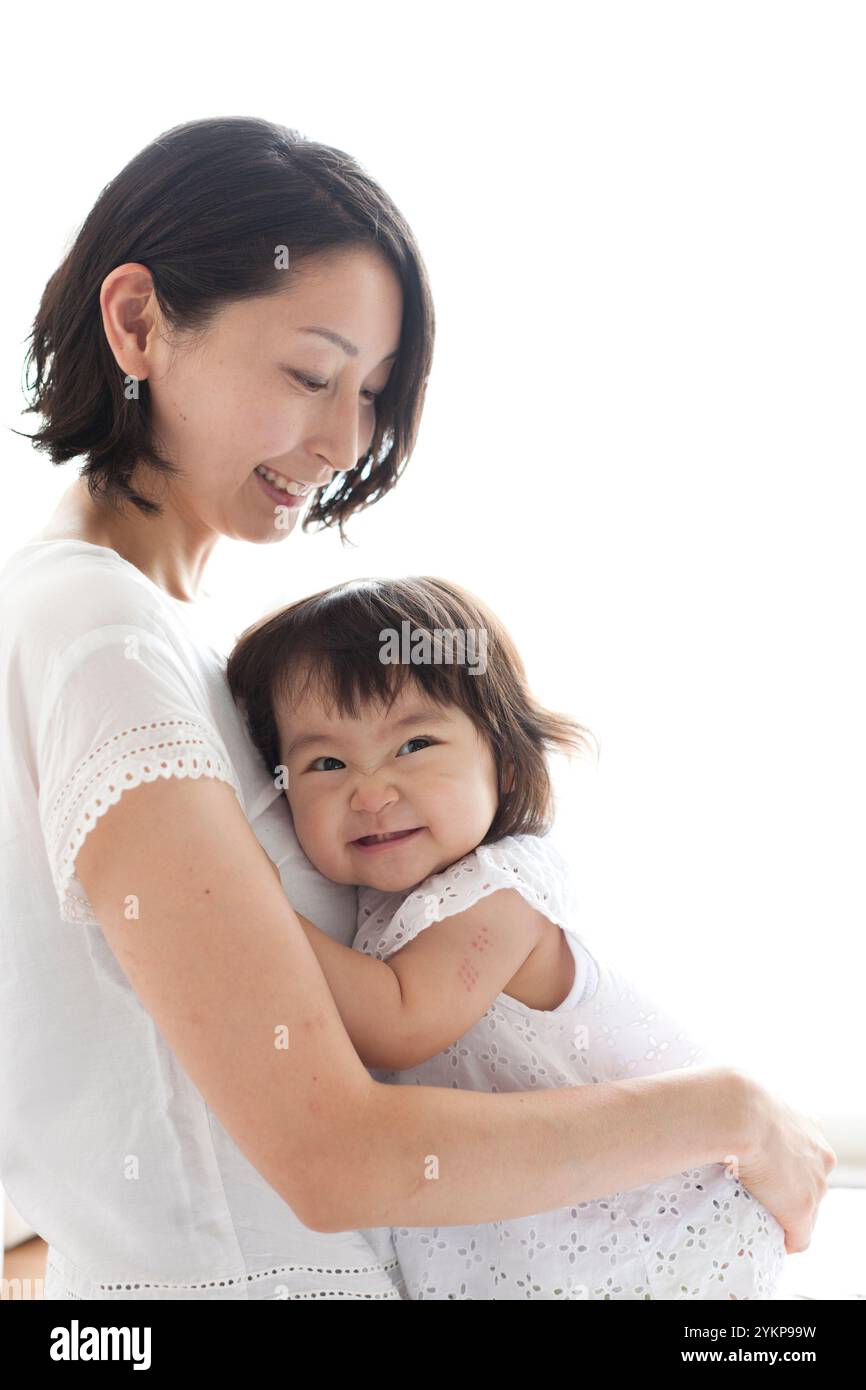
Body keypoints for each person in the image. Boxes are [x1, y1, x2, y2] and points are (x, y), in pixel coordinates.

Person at [0, 116, 834, 1302]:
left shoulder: (169, 639)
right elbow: (333, 1158)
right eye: (308, 374)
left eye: (373, 391)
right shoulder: (101, 642)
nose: (345, 440)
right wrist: (724, 1112)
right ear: (137, 322)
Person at [225, 574, 787, 1299]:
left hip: (665, 1240)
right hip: (541, 1248)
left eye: (414, 744)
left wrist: (240, 907)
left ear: (508, 758)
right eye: (326, 762)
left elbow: (399, 1022)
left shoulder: (503, 886)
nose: (369, 791)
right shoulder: (373, 902)